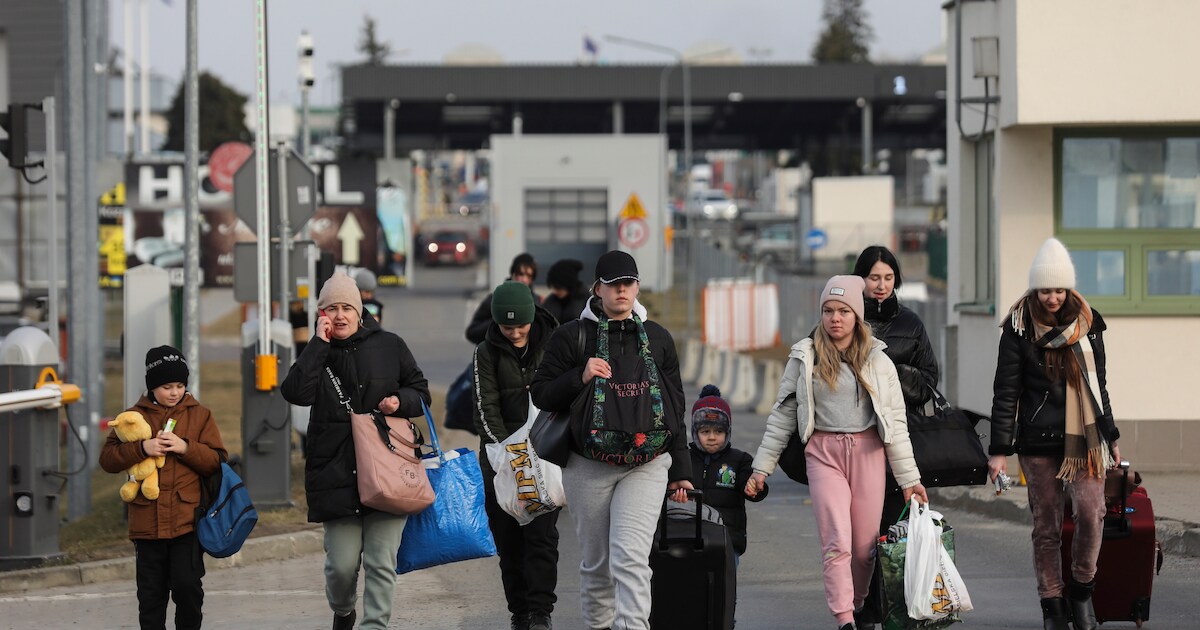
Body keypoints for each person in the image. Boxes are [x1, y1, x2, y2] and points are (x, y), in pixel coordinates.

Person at [745, 275, 927, 630]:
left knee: (864, 550)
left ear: (856, 317)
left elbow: (895, 424)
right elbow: (782, 413)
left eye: (843, 311)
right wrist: (761, 468)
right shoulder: (804, 356)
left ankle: (856, 605)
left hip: (868, 453)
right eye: (828, 310)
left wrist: (910, 480)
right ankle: (843, 618)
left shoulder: (878, 360)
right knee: (836, 542)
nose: (835, 318)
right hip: (823, 455)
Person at [531, 250, 693, 630]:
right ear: (597, 289)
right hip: (588, 465)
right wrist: (580, 376)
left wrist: (681, 469)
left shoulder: (657, 338)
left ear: (637, 287)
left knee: (631, 558)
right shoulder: (572, 336)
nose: (622, 290)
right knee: (598, 563)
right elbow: (541, 393)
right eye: (613, 284)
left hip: (647, 464)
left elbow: (675, 406)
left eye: (629, 283)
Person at [280, 271, 431, 630]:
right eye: (331, 308)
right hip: (336, 474)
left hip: (387, 469)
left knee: (381, 561)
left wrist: (400, 401)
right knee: (342, 566)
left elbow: (420, 393)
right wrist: (318, 344)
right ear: (321, 314)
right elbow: (296, 393)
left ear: (360, 310)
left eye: (347, 307)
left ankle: (374, 626)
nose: (340, 315)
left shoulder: (390, 344)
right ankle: (344, 611)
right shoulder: (317, 352)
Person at [989, 238, 1120, 630]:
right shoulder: (1017, 329)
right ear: (1034, 289)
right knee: (1045, 526)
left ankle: (1081, 591)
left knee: (1091, 514)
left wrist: (1111, 435)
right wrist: (999, 450)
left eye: (1059, 289)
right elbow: (1006, 392)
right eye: (1045, 289)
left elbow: (1100, 386)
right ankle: (1053, 606)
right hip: (1038, 443)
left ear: (1069, 288)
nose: (1052, 297)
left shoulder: (1088, 322)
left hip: (1087, 442)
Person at [99, 346, 226, 630]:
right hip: (147, 526)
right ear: (152, 387)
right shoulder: (132, 416)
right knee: (150, 598)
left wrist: (185, 447)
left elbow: (217, 461)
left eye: (180, 385)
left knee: (187, 588)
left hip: (187, 524)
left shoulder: (200, 415)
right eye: (167, 386)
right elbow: (107, 460)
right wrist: (142, 448)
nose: (174, 392)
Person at [473, 281, 562, 630]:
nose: (514, 333)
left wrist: (542, 446)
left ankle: (541, 612)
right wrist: (505, 454)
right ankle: (520, 613)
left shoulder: (554, 343)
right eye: (507, 327)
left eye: (520, 326)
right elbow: (484, 407)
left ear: (532, 319)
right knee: (508, 542)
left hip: (544, 455)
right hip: (501, 462)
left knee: (541, 539)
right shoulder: (486, 351)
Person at [852, 246, 940, 556]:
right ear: (859, 279)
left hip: (901, 436)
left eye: (888, 277)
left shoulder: (911, 323)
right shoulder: (844, 319)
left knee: (893, 527)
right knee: (859, 530)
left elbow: (929, 380)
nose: (881, 285)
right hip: (855, 438)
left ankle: (890, 598)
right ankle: (861, 600)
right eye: (874, 277)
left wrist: (892, 376)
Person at [688, 384, 769, 559]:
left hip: (727, 540)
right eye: (705, 431)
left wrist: (755, 488)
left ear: (728, 432)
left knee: (723, 583)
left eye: (718, 431)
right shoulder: (684, 460)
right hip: (688, 537)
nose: (711, 437)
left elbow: (752, 489)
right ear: (695, 432)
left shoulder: (740, 460)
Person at [466, 252, 538, 344]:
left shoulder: (536, 301)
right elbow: (472, 333)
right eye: (521, 274)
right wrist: (500, 319)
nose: (524, 279)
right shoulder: (495, 300)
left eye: (529, 276)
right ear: (513, 274)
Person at [542, 258, 590, 324]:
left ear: (568, 285)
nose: (555, 291)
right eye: (553, 287)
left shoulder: (586, 301)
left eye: (558, 288)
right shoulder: (552, 301)